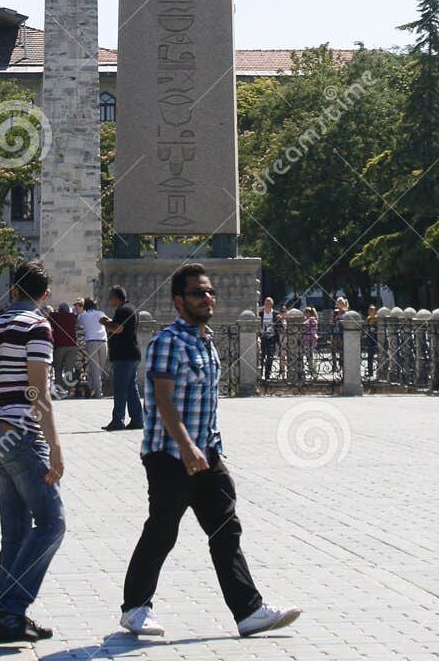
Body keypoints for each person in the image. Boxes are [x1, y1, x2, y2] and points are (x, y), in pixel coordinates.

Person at [119, 264, 301, 640]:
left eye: (210, 292)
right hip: (169, 454)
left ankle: (248, 611)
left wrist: (208, 446)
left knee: (226, 528)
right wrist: (186, 446)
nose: (207, 298)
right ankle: (135, 608)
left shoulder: (206, 340)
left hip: (207, 452)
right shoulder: (168, 341)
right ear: (178, 301)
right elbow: (163, 401)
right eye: (198, 293)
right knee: (163, 530)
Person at [0, 259, 65, 645]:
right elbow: (38, 390)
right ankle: (11, 607)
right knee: (51, 523)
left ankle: (8, 620)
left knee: (14, 533)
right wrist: (55, 447)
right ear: (45, 295)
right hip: (23, 434)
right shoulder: (37, 326)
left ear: (13, 289)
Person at [103, 286, 143, 431]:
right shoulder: (130, 308)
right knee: (131, 388)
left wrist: (105, 323)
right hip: (131, 355)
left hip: (124, 356)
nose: (109, 300)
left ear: (116, 297)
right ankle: (137, 419)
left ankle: (118, 420)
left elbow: (117, 328)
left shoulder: (123, 310)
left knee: (120, 388)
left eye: (110, 297)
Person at [77, 297, 109, 398]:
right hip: (103, 342)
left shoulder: (82, 316)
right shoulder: (101, 313)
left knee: (95, 369)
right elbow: (109, 322)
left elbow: (78, 325)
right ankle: (98, 393)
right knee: (99, 368)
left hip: (91, 342)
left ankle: (89, 385)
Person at [49, 302, 78, 395]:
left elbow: (49, 315)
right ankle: (69, 391)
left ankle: (60, 390)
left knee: (58, 369)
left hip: (60, 346)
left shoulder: (55, 316)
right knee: (69, 369)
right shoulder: (72, 317)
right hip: (72, 345)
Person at [260, 296, 278, 382]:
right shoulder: (260, 313)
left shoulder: (275, 314)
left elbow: (280, 326)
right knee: (261, 356)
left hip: (272, 337)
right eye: (266, 302)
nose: (267, 304)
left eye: (269, 302)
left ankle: (267, 375)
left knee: (270, 357)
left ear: (272, 304)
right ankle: (259, 375)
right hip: (262, 337)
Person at [303, 305, 319, 379]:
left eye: (308, 312)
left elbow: (306, 325)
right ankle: (311, 371)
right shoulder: (307, 319)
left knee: (311, 357)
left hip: (311, 340)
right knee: (308, 357)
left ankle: (313, 373)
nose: (306, 314)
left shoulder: (312, 320)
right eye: (306, 312)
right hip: (306, 340)